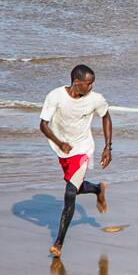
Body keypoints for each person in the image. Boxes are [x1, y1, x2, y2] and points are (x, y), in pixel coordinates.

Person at [39, 64, 112, 259]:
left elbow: (105, 116)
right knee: (77, 188)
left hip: (82, 148)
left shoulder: (95, 99)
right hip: (62, 149)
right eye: (89, 84)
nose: (92, 87)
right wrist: (59, 143)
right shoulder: (55, 96)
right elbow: (43, 125)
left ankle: (58, 243)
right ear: (77, 83)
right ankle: (98, 189)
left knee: (70, 191)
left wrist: (107, 147)